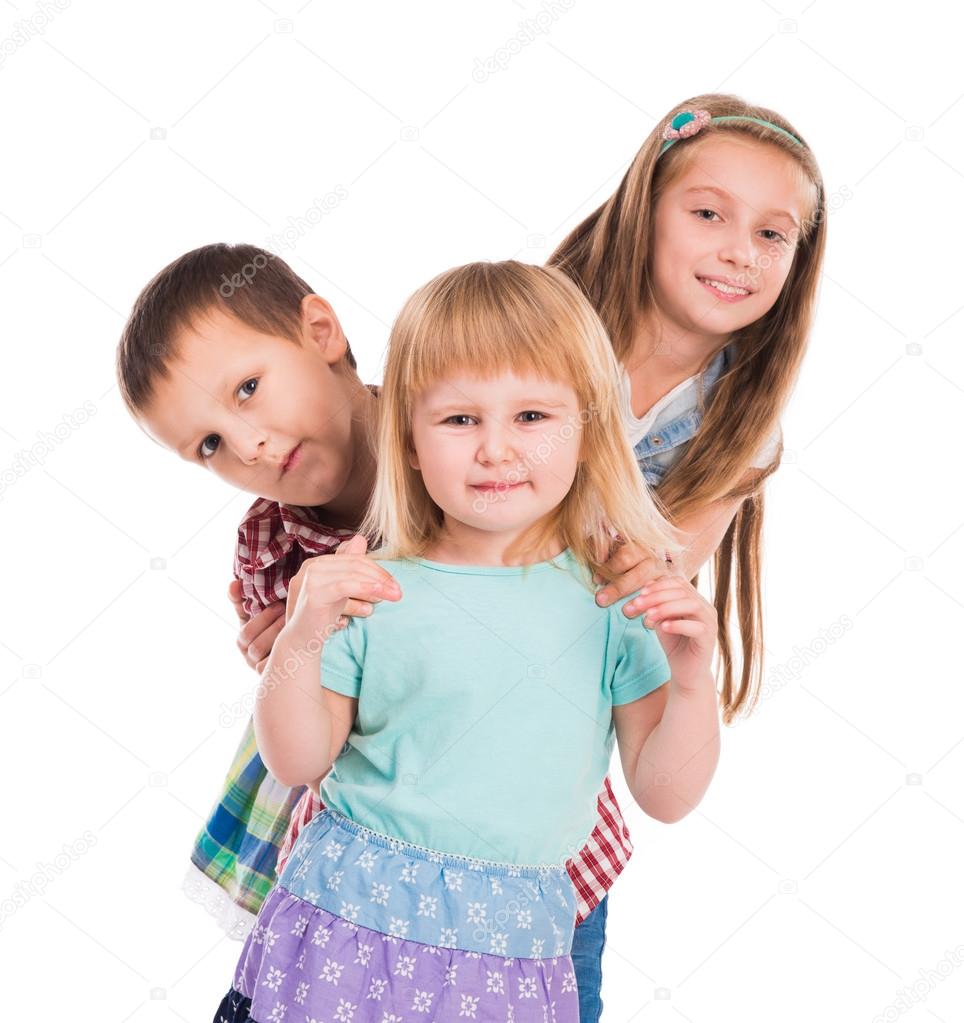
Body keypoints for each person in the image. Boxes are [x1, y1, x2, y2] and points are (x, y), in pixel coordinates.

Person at [116, 243, 663, 1009]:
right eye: (209, 445)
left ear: (320, 329)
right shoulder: (268, 544)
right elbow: (324, 709)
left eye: (247, 390)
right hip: (375, 875)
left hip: (533, 856)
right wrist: (291, 647)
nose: (250, 446)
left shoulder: (476, 424)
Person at [549, 93, 827, 725]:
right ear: (644, 212)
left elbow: (648, 583)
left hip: (549, 686)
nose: (741, 253)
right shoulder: (538, 334)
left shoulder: (742, 428)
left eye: (771, 234)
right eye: (708, 213)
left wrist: (642, 567)